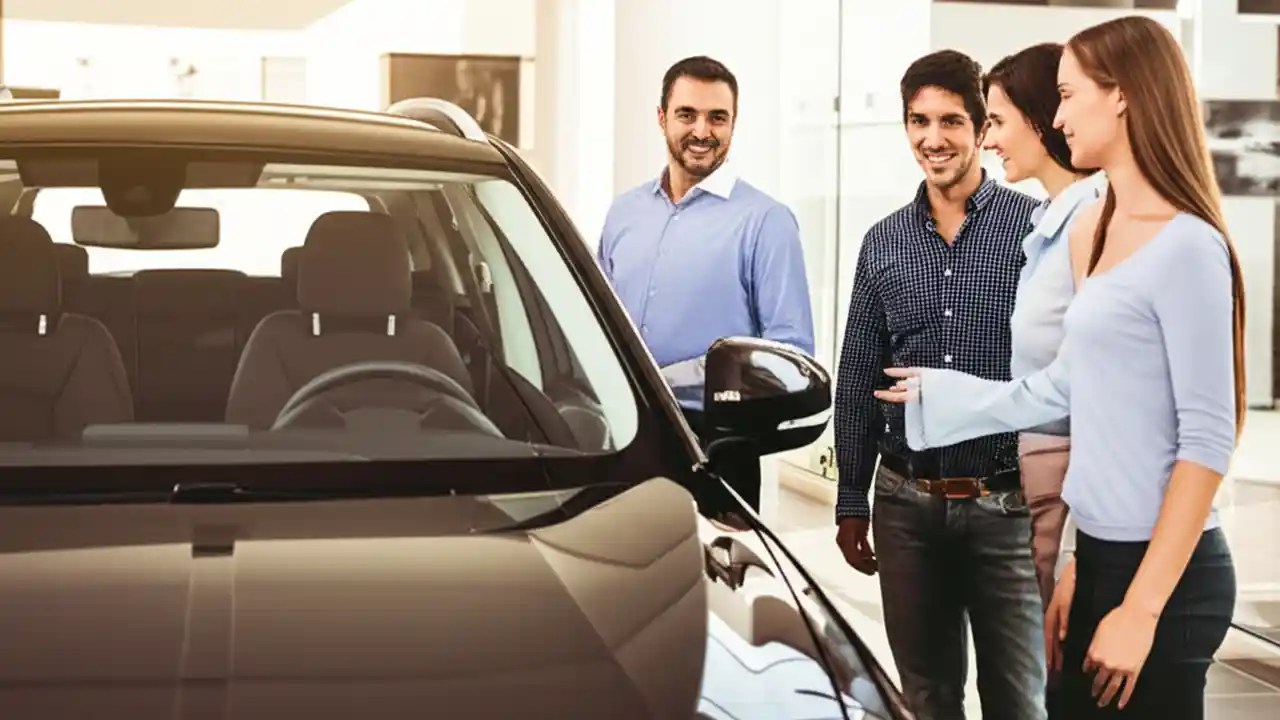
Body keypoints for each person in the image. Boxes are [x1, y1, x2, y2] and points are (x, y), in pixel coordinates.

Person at [877, 16, 1244, 718]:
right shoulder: (1101, 232)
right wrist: (937, 397)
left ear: (1124, 97)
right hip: (1104, 559)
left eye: (1069, 96)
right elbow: (1068, 390)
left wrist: (1139, 609)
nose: (1059, 114)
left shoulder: (1190, 247)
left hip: (1164, 582)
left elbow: (1207, 442)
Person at [832, 48, 1046, 719]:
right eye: (918, 121)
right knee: (926, 700)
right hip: (906, 508)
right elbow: (858, 374)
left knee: (1018, 700)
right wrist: (850, 498)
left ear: (982, 127)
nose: (933, 139)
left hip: (1006, 508)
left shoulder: (1033, 229)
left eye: (950, 120)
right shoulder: (882, 241)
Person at [596, 55, 815, 514]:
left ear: (734, 123)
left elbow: (789, 356)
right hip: (615, 448)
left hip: (716, 457)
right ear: (661, 119)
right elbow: (595, 328)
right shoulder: (624, 213)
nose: (702, 131)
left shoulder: (766, 221)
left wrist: (655, 385)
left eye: (718, 117)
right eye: (686, 114)